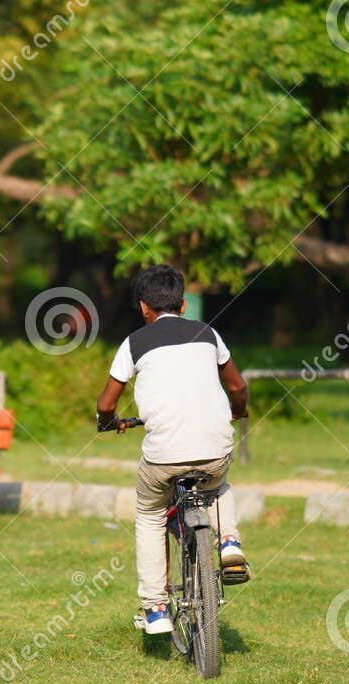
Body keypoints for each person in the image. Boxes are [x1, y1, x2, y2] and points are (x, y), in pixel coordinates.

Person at [95, 264, 250, 636]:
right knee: (218, 486)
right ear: (182, 305)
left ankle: (155, 607)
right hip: (214, 448)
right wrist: (237, 413)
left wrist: (107, 422)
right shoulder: (208, 333)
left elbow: (105, 404)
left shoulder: (133, 343)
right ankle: (228, 541)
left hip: (164, 456)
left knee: (150, 512)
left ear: (144, 307)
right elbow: (238, 387)